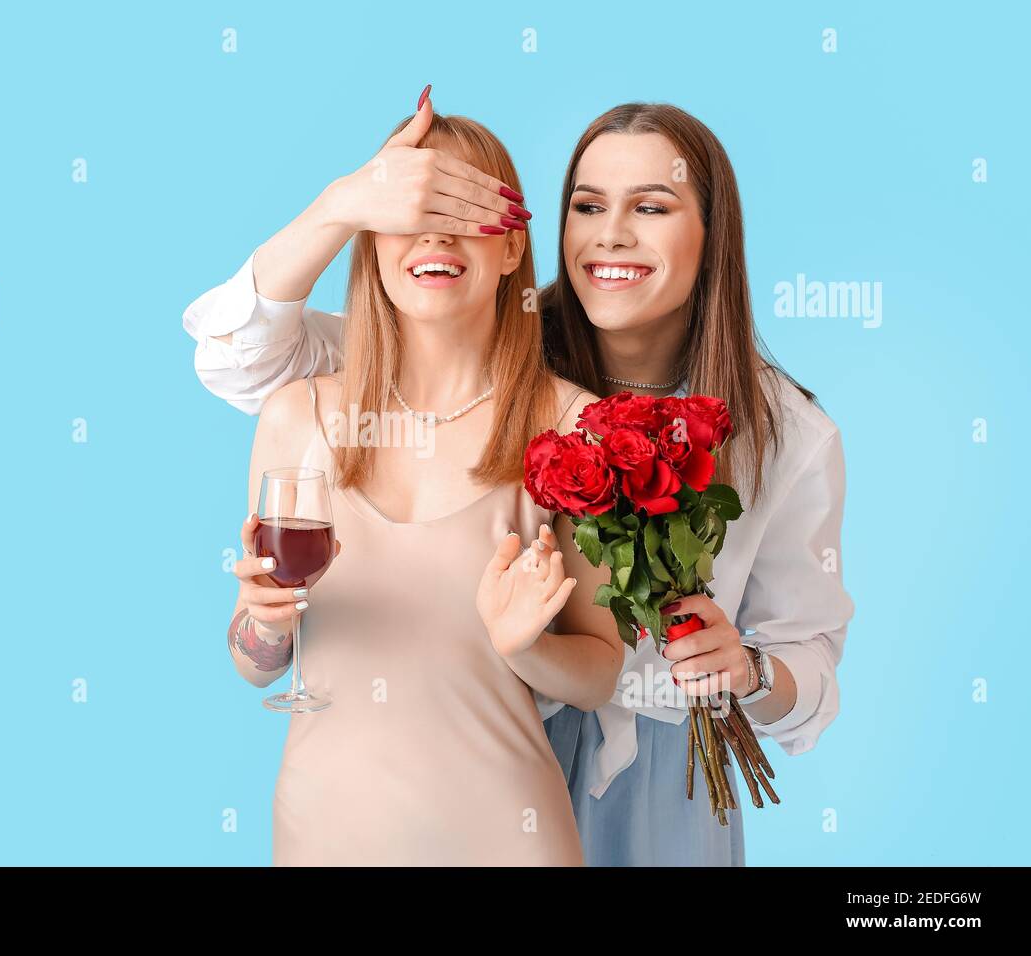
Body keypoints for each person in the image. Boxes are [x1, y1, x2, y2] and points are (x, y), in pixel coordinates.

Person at [188, 90, 853, 866]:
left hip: (652, 777)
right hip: (472, 766)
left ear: (713, 236)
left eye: (652, 207)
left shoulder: (782, 435)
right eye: (588, 204)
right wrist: (347, 203)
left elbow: (805, 661)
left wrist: (748, 668)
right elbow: (237, 354)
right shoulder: (448, 339)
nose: (611, 234)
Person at [223, 110, 624, 865]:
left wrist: (527, 649)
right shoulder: (296, 416)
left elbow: (600, 673)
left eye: (464, 213)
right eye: (413, 213)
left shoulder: (578, 428)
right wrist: (263, 623)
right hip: (323, 834)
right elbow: (255, 665)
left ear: (510, 249)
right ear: (373, 243)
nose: (436, 236)